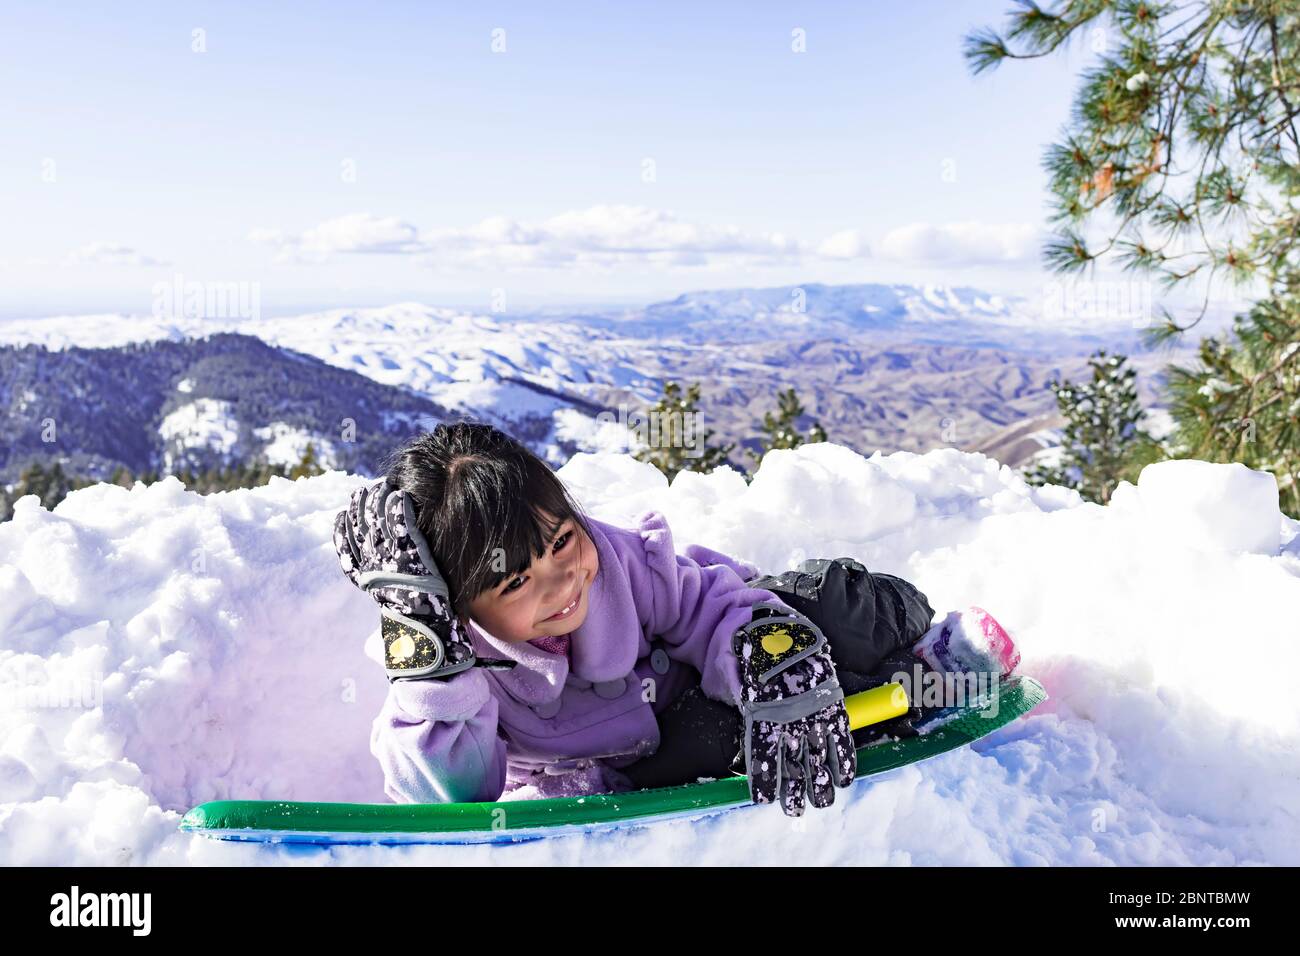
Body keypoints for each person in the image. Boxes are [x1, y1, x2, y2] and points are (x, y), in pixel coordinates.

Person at [332, 421, 939, 817]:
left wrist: (773, 657)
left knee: (841, 612)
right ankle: (900, 691)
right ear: (458, 605)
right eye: (516, 580)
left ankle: (925, 648)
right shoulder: (456, 665)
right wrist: (430, 658)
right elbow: (447, 797)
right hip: (662, 742)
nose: (561, 579)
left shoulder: (621, 564)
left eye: (563, 541)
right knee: (721, 742)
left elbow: (709, 605)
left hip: (733, 649)